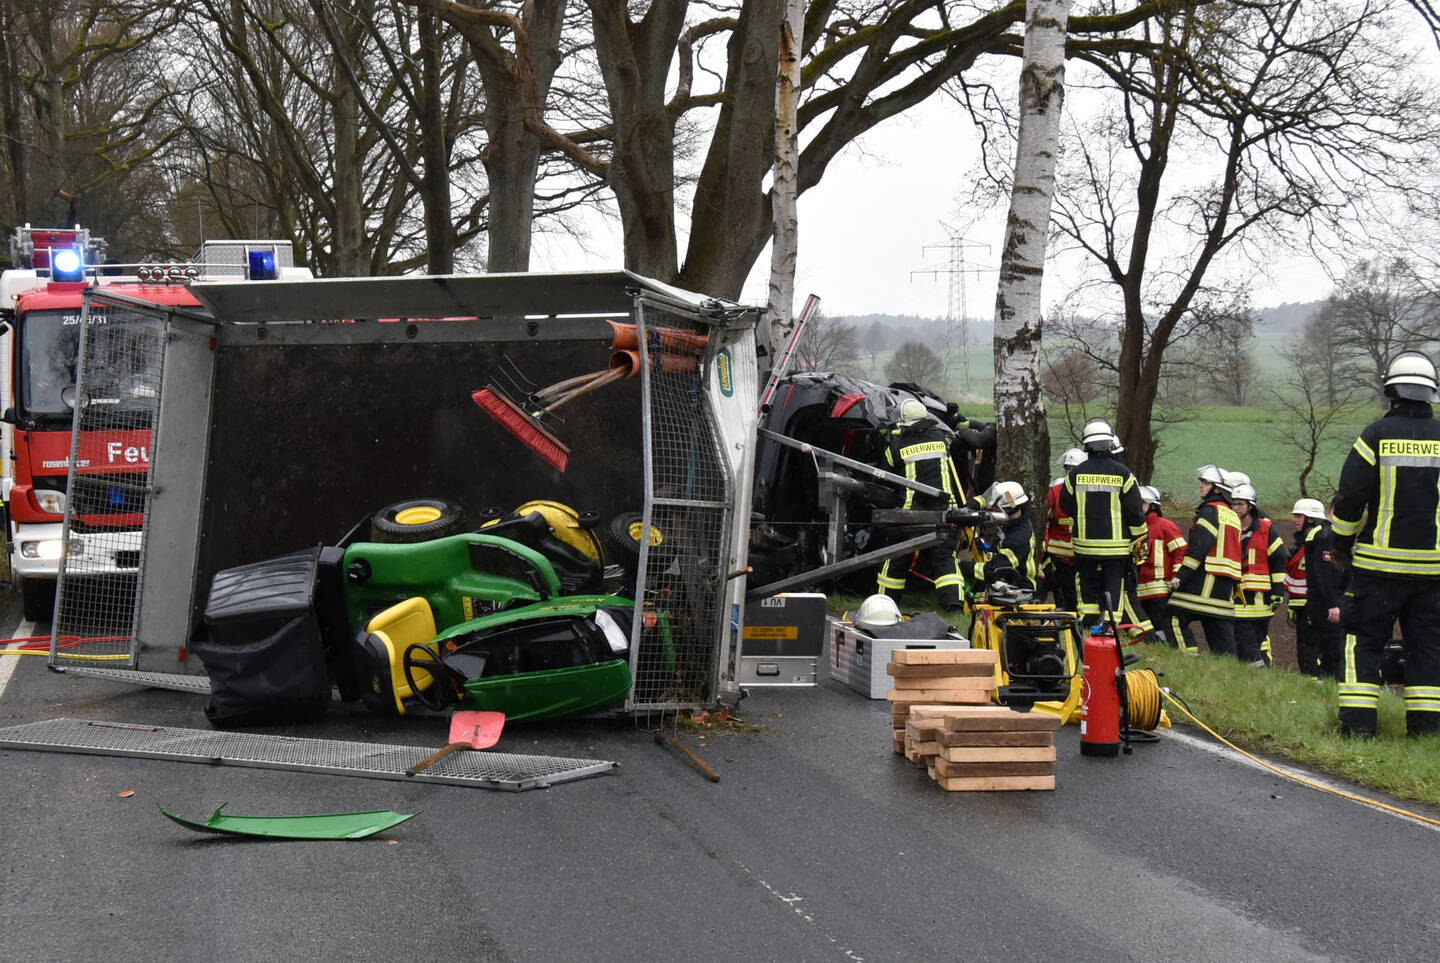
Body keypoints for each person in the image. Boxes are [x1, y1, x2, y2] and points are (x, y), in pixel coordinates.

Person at [1331, 351, 1440, 737]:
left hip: (1378, 570)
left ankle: (1358, 729)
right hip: (1433, 573)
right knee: (1428, 649)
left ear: (1391, 389)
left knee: (1363, 643)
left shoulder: (1375, 436)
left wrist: (1340, 544)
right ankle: (1428, 732)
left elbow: (1349, 498)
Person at [875, 398, 965, 611]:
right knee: (944, 558)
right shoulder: (942, 439)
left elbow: (884, 475)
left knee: (897, 557)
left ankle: (885, 603)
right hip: (943, 510)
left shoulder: (896, 446)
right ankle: (954, 606)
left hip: (910, 514)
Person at [1058, 417, 1147, 625]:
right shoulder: (1124, 474)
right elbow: (1135, 511)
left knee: (1086, 581)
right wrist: (1140, 535)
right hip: (1116, 548)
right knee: (1114, 582)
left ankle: (1088, 621)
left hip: (1084, 545)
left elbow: (1065, 506)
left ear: (1086, 444)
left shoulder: (1075, 474)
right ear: (1109, 444)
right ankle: (1110, 624)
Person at [1168, 464, 1243, 657]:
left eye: (1206, 482)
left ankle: (1187, 658)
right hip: (1225, 586)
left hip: (1205, 581)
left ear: (1217, 489)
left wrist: (1181, 576)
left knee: (1173, 616)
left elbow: (1199, 546)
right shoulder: (1232, 515)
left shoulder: (1210, 511)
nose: (1201, 485)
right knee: (1220, 632)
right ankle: (1228, 671)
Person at [1231, 483, 1287, 667]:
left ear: (1250, 506)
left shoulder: (1266, 529)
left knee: (1259, 638)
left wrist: (1278, 591)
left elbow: (1279, 560)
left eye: (1240, 504)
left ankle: (1263, 669)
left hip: (1261, 597)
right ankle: (1257, 670)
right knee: (1243, 636)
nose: (1236, 508)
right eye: (1234, 504)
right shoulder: (1231, 528)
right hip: (1237, 595)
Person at [1290, 498, 1344, 680]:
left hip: (1320, 602)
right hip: (1323, 605)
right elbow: (1322, 573)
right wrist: (1332, 603)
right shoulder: (1325, 534)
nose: (1295, 520)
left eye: (1299, 516)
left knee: (1323, 649)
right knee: (1327, 650)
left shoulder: (1323, 534)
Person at [962, 481, 1038, 595]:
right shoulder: (1016, 515)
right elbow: (994, 498)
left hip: (1019, 590)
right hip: (1007, 580)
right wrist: (970, 506)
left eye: (997, 509)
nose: (993, 512)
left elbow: (992, 571)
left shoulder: (1017, 539)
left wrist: (960, 566)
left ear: (1009, 510)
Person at [1135, 486, 1187, 646]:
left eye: (1143, 503)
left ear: (1153, 505)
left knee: (1162, 626)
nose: (1138, 506)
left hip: (1159, 589)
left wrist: (1176, 578)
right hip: (1138, 590)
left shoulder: (1165, 526)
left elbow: (1180, 552)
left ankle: (1168, 650)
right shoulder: (1134, 528)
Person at [1042, 447, 1085, 611]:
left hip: (1084, 551)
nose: (1070, 472)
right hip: (1059, 552)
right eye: (1068, 468)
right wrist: (1045, 544)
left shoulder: (1092, 490)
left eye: (1074, 469)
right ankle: (1067, 612)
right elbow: (1045, 519)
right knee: (1062, 585)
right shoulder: (1056, 490)